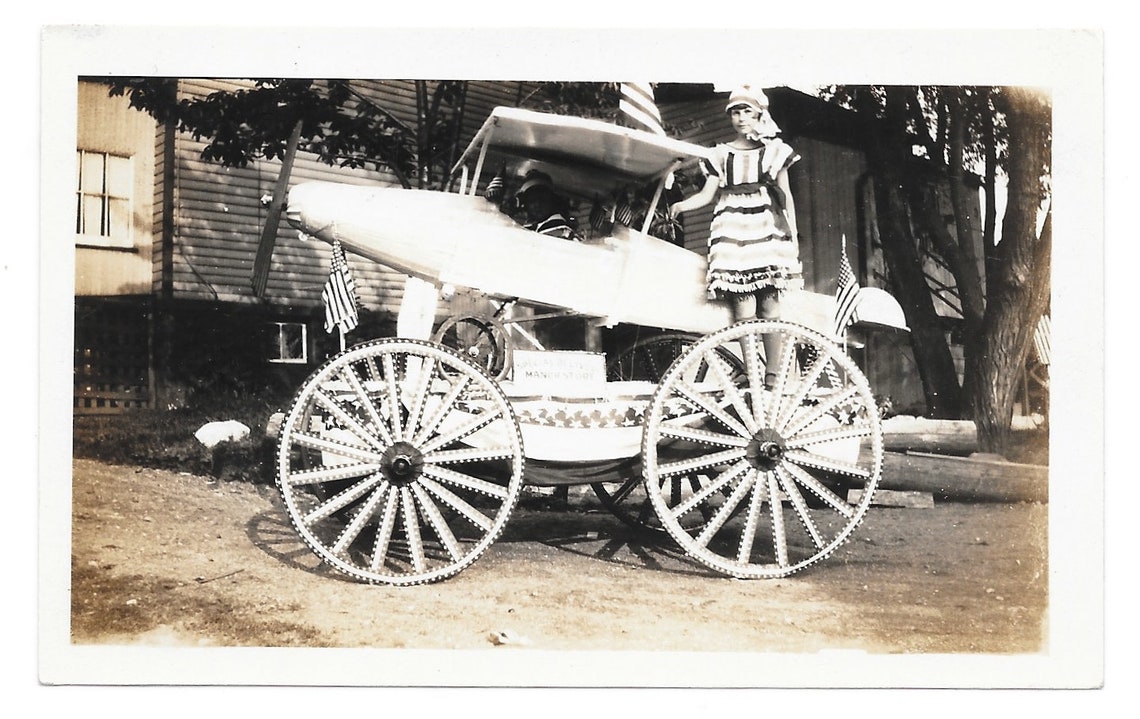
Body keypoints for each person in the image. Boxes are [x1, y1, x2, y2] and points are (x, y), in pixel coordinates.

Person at [668, 85, 802, 388]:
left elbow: (786, 194)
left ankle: (773, 375)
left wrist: (792, 233)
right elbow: (706, 195)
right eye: (736, 112)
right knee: (743, 305)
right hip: (732, 230)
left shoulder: (774, 151)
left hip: (765, 228)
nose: (741, 118)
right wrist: (680, 204)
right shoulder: (721, 154)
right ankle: (753, 371)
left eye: (747, 111)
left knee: (769, 303)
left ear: (759, 114)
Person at [514, 170, 582, 241]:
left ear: (552, 201)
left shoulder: (559, 229)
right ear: (525, 204)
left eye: (542, 199)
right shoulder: (527, 228)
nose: (537, 205)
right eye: (532, 201)